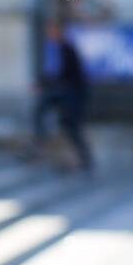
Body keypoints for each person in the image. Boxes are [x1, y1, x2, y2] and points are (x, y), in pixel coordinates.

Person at [32, 20, 93, 171]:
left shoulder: (67, 49)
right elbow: (51, 72)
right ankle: (41, 143)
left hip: (71, 94)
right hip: (60, 92)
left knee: (71, 127)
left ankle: (85, 159)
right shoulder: (53, 49)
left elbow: (66, 74)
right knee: (40, 110)